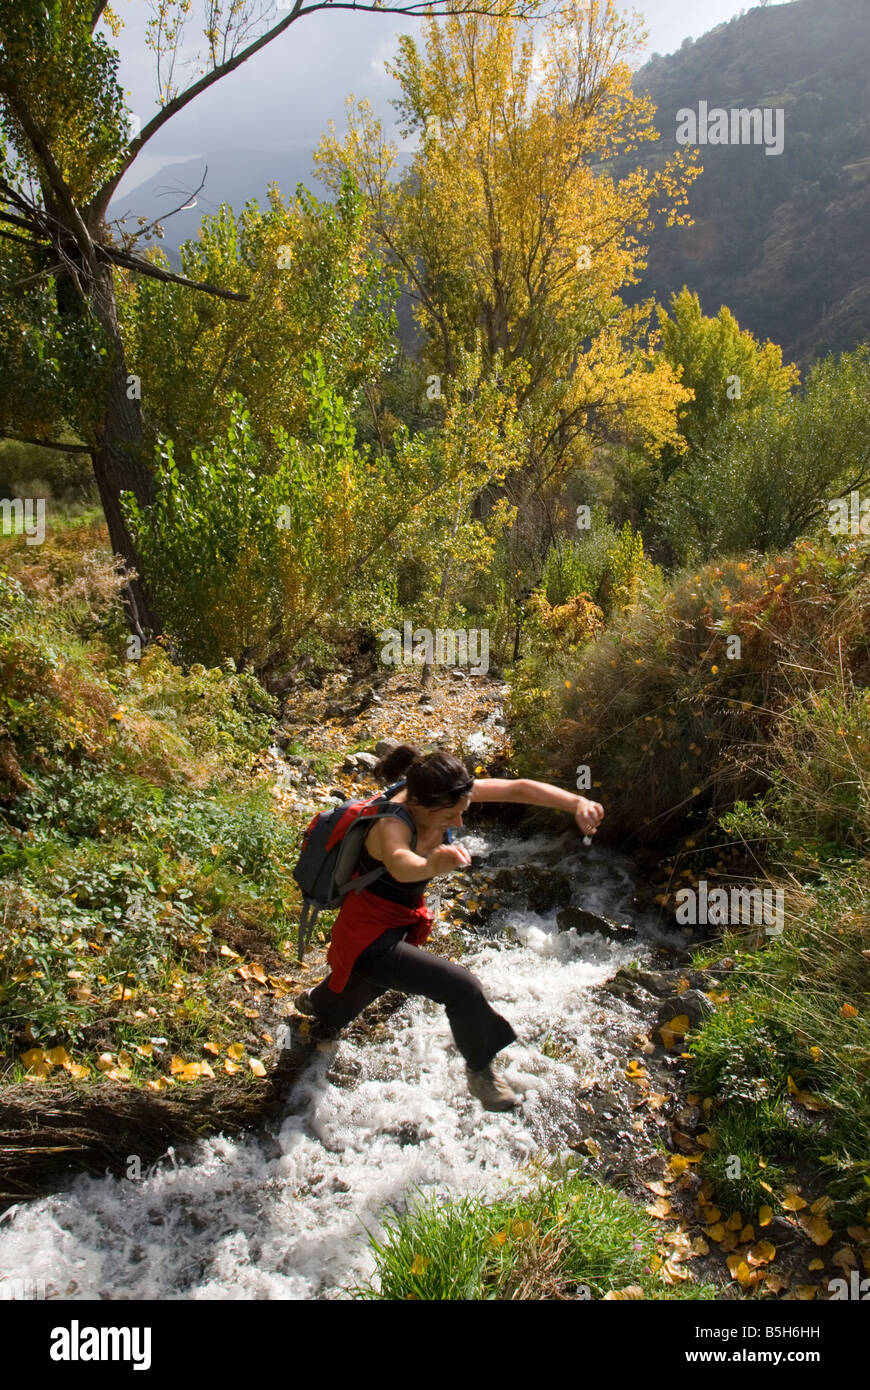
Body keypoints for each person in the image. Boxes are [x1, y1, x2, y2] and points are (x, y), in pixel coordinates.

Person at [295, 744, 605, 1112]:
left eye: (463, 812)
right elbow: (400, 863)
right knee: (462, 988)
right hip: (367, 937)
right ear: (422, 807)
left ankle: (317, 1005)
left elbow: (517, 788)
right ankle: (480, 1071)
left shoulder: (445, 794)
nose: (459, 824)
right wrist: (432, 864)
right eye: (451, 817)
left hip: (402, 925)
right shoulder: (391, 825)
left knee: (362, 994)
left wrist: (576, 803)